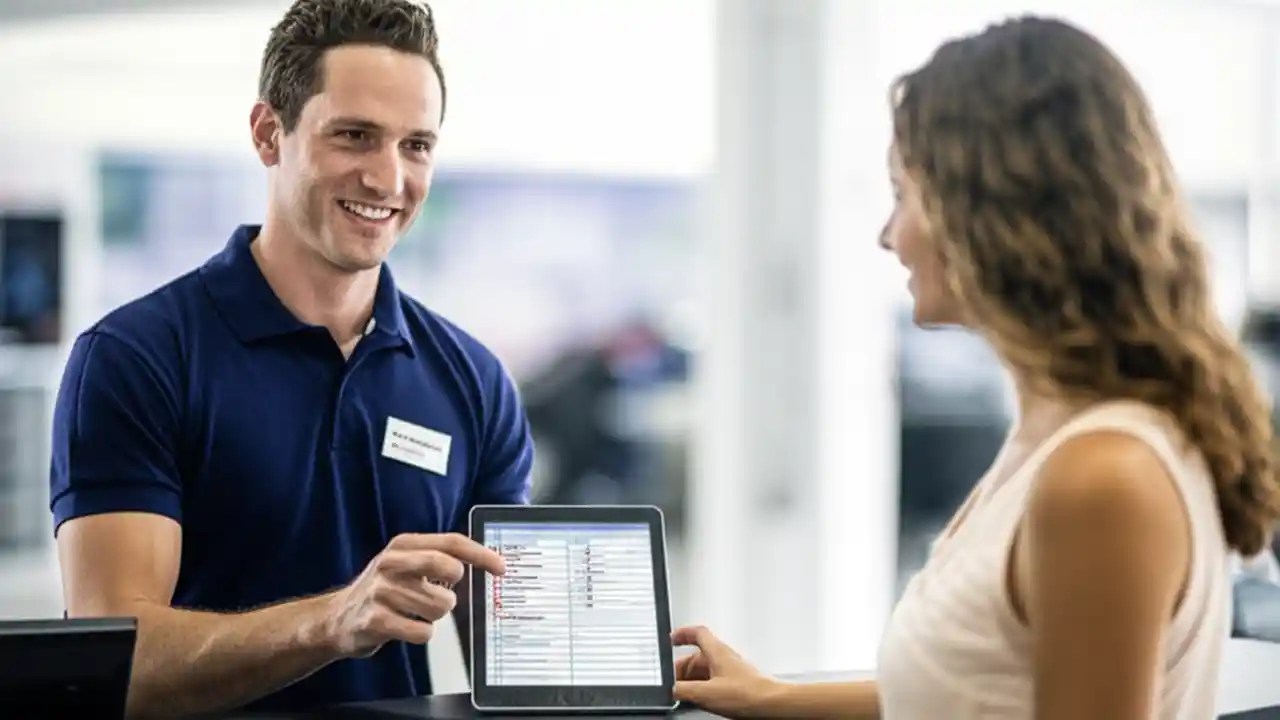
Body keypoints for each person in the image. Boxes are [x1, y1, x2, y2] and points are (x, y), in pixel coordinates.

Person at [671, 16, 1280, 720]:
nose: (886, 234)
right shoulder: (1062, 440)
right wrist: (773, 695)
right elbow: (989, 690)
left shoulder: (1102, 476)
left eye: (901, 195)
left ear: (985, 209)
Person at [48, 0, 532, 716]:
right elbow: (113, 665)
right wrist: (334, 622)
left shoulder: (473, 381)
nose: (388, 179)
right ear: (269, 133)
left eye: (416, 145)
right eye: (355, 136)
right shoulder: (135, 360)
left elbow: (521, 660)